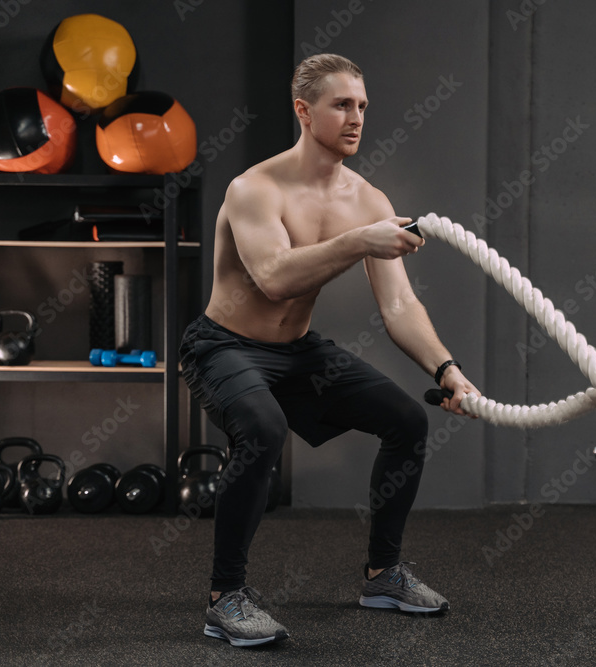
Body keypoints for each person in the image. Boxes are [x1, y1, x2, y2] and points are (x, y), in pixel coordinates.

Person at [178, 53, 481, 647]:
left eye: (362, 106)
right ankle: (225, 598)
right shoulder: (254, 189)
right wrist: (359, 240)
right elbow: (274, 278)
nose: (356, 117)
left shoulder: (368, 199)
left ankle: (382, 575)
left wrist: (447, 369)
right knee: (262, 430)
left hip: (298, 353)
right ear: (303, 110)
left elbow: (398, 308)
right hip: (224, 348)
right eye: (342, 104)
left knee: (406, 421)